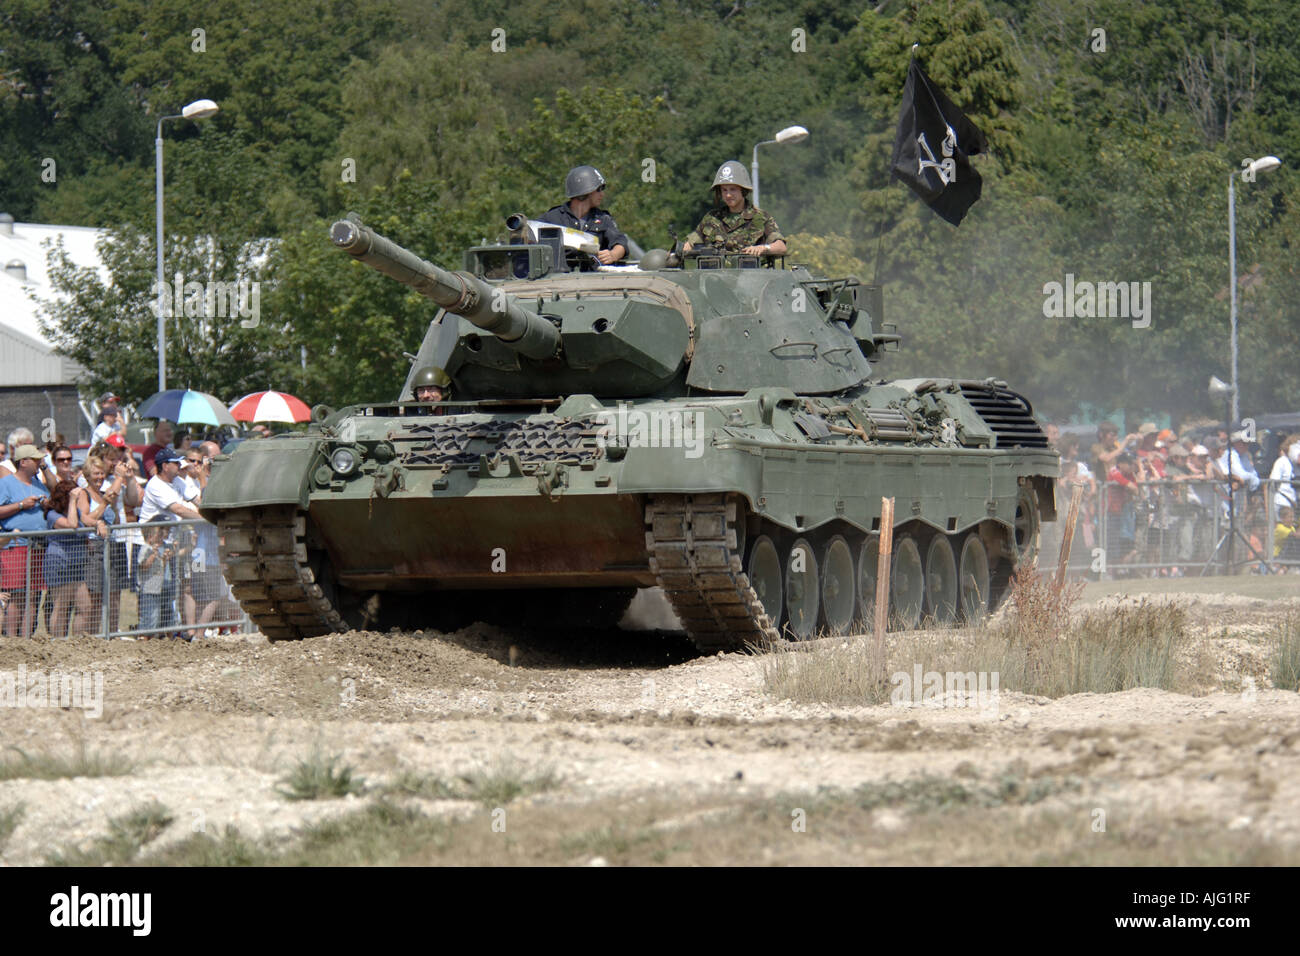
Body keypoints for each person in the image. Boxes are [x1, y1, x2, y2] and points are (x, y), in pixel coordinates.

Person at [682, 161, 788, 256]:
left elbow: (781, 247)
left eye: (733, 189)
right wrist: (674, 254)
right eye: (724, 190)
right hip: (714, 276)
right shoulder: (711, 219)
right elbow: (689, 245)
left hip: (750, 276)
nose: (728, 195)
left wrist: (764, 248)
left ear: (743, 190)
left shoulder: (761, 218)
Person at [0, 444, 51, 636]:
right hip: (16, 546)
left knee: (33, 595)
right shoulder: (6, 484)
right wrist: (21, 505)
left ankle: (27, 641)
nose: (40, 462)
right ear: (23, 462)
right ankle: (13, 641)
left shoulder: (39, 483)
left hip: (37, 547)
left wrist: (47, 505)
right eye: (36, 459)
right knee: (17, 596)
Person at [537, 165, 629, 265]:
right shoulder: (553, 218)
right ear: (585, 191)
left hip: (592, 278)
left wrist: (613, 255)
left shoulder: (603, 219)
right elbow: (531, 238)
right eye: (598, 189)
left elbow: (620, 243)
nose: (602, 194)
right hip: (559, 277)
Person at [42, 478, 91, 639]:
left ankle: (77, 642)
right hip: (59, 563)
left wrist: (98, 523)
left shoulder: (75, 512)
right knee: (61, 606)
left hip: (77, 565)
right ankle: (59, 643)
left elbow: (85, 519)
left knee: (85, 606)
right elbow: (72, 525)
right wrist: (72, 500)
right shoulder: (52, 515)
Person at [1269, 434, 1299, 512]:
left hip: (1294, 502)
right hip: (1282, 502)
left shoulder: (1296, 466)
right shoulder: (1281, 462)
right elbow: (1273, 481)